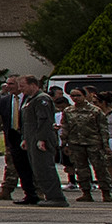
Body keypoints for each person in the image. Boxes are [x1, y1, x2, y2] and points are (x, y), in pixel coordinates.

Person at [13, 75, 69, 207]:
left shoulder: (42, 99)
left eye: (23, 86)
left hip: (40, 139)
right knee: (38, 169)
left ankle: (56, 197)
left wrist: (41, 139)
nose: (21, 90)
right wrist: (26, 139)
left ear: (33, 84)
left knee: (45, 168)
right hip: (32, 138)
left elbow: (44, 121)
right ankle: (49, 196)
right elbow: (28, 122)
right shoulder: (30, 99)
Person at [62, 87, 112, 204]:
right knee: (81, 169)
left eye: (78, 95)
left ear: (84, 96)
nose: (75, 98)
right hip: (76, 143)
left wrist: (105, 145)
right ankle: (86, 192)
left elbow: (103, 129)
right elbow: (65, 127)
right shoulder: (68, 111)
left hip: (93, 143)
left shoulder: (95, 111)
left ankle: (106, 192)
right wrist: (64, 143)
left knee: (100, 168)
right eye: (73, 96)